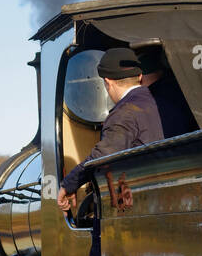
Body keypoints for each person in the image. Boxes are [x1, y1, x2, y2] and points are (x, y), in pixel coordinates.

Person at [57, 47, 163, 212]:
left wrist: (69, 184)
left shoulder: (124, 113)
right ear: (140, 77)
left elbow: (103, 156)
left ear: (107, 82)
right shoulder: (158, 103)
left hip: (140, 204)